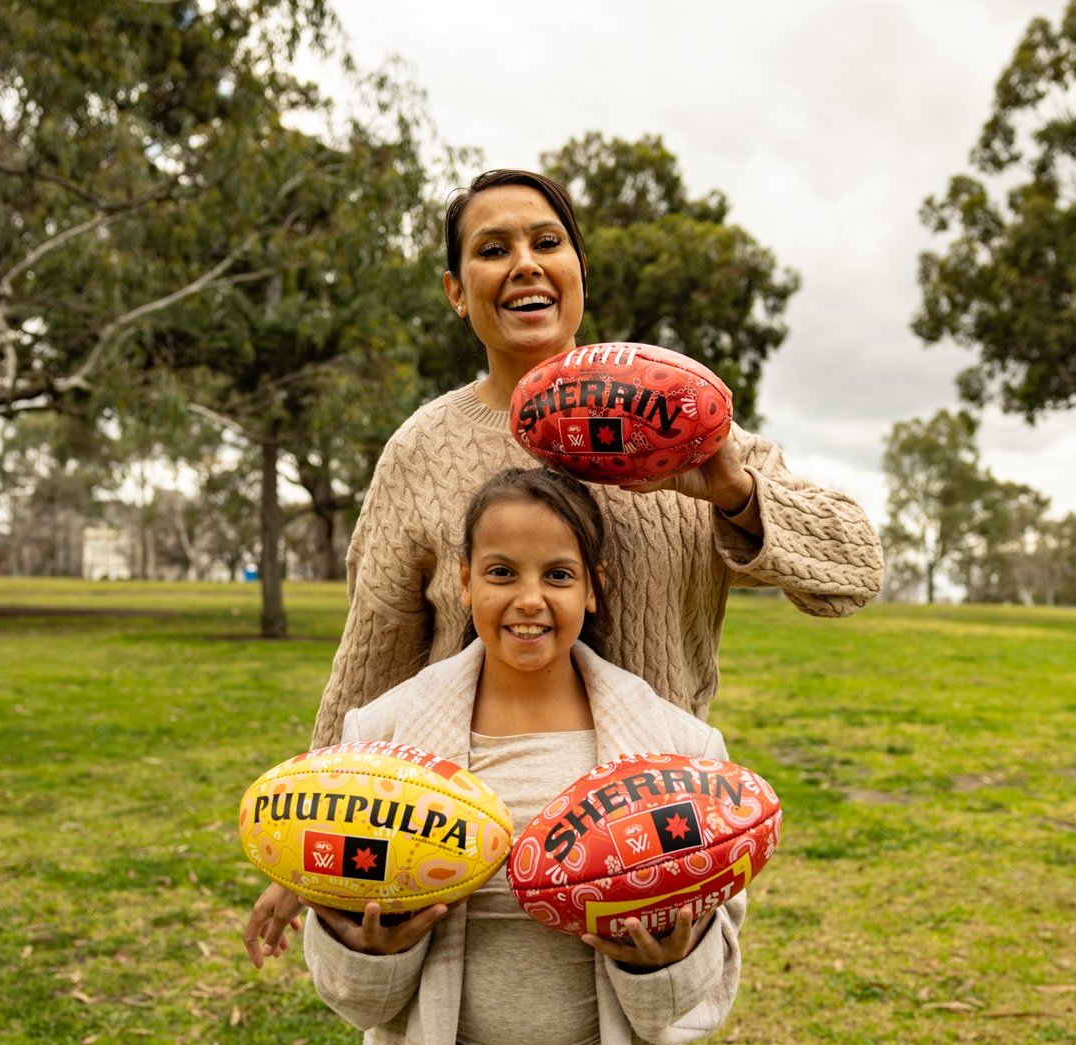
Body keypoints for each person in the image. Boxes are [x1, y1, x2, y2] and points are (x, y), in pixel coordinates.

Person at [244, 167, 881, 964]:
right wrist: (314, 835)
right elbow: (371, 655)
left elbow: (853, 571)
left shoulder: (685, 427)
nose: (524, 264)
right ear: (455, 289)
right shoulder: (422, 449)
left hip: (651, 847)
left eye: (547, 242)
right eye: (491, 248)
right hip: (457, 855)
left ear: (579, 270)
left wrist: (728, 489)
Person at [302, 466, 746, 1045]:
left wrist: (669, 962)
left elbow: (704, 979)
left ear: (595, 589)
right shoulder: (381, 739)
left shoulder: (682, 753)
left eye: (558, 574)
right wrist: (371, 954)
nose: (529, 598)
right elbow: (354, 992)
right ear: (464, 582)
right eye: (502, 572)